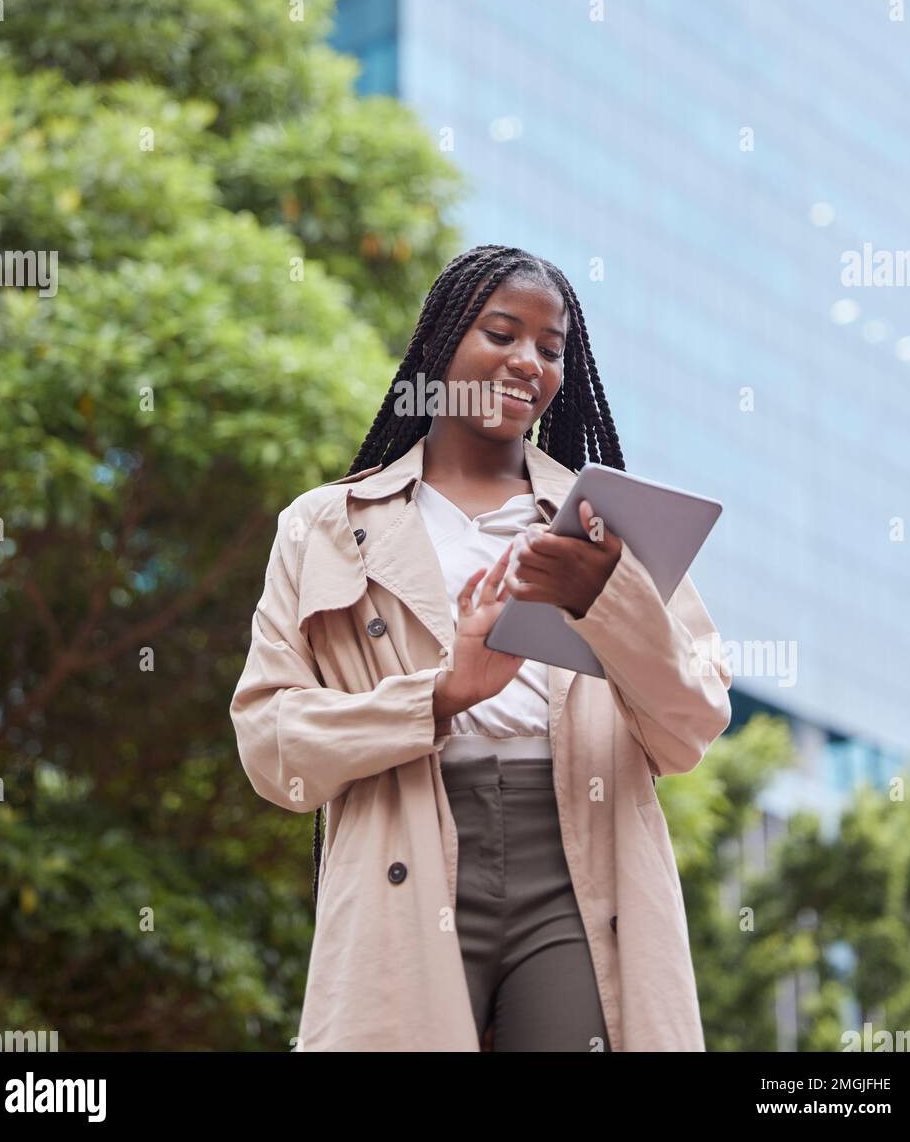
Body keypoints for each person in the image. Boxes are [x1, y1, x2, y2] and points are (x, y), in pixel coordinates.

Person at [230, 244, 732, 1051]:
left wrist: (604, 600)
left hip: (580, 860)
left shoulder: (609, 527)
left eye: (550, 346)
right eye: (501, 333)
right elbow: (271, 747)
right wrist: (441, 694)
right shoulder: (325, 525)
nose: (527, 361)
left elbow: (693, 726)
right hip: (406, 846)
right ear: (437, 345)